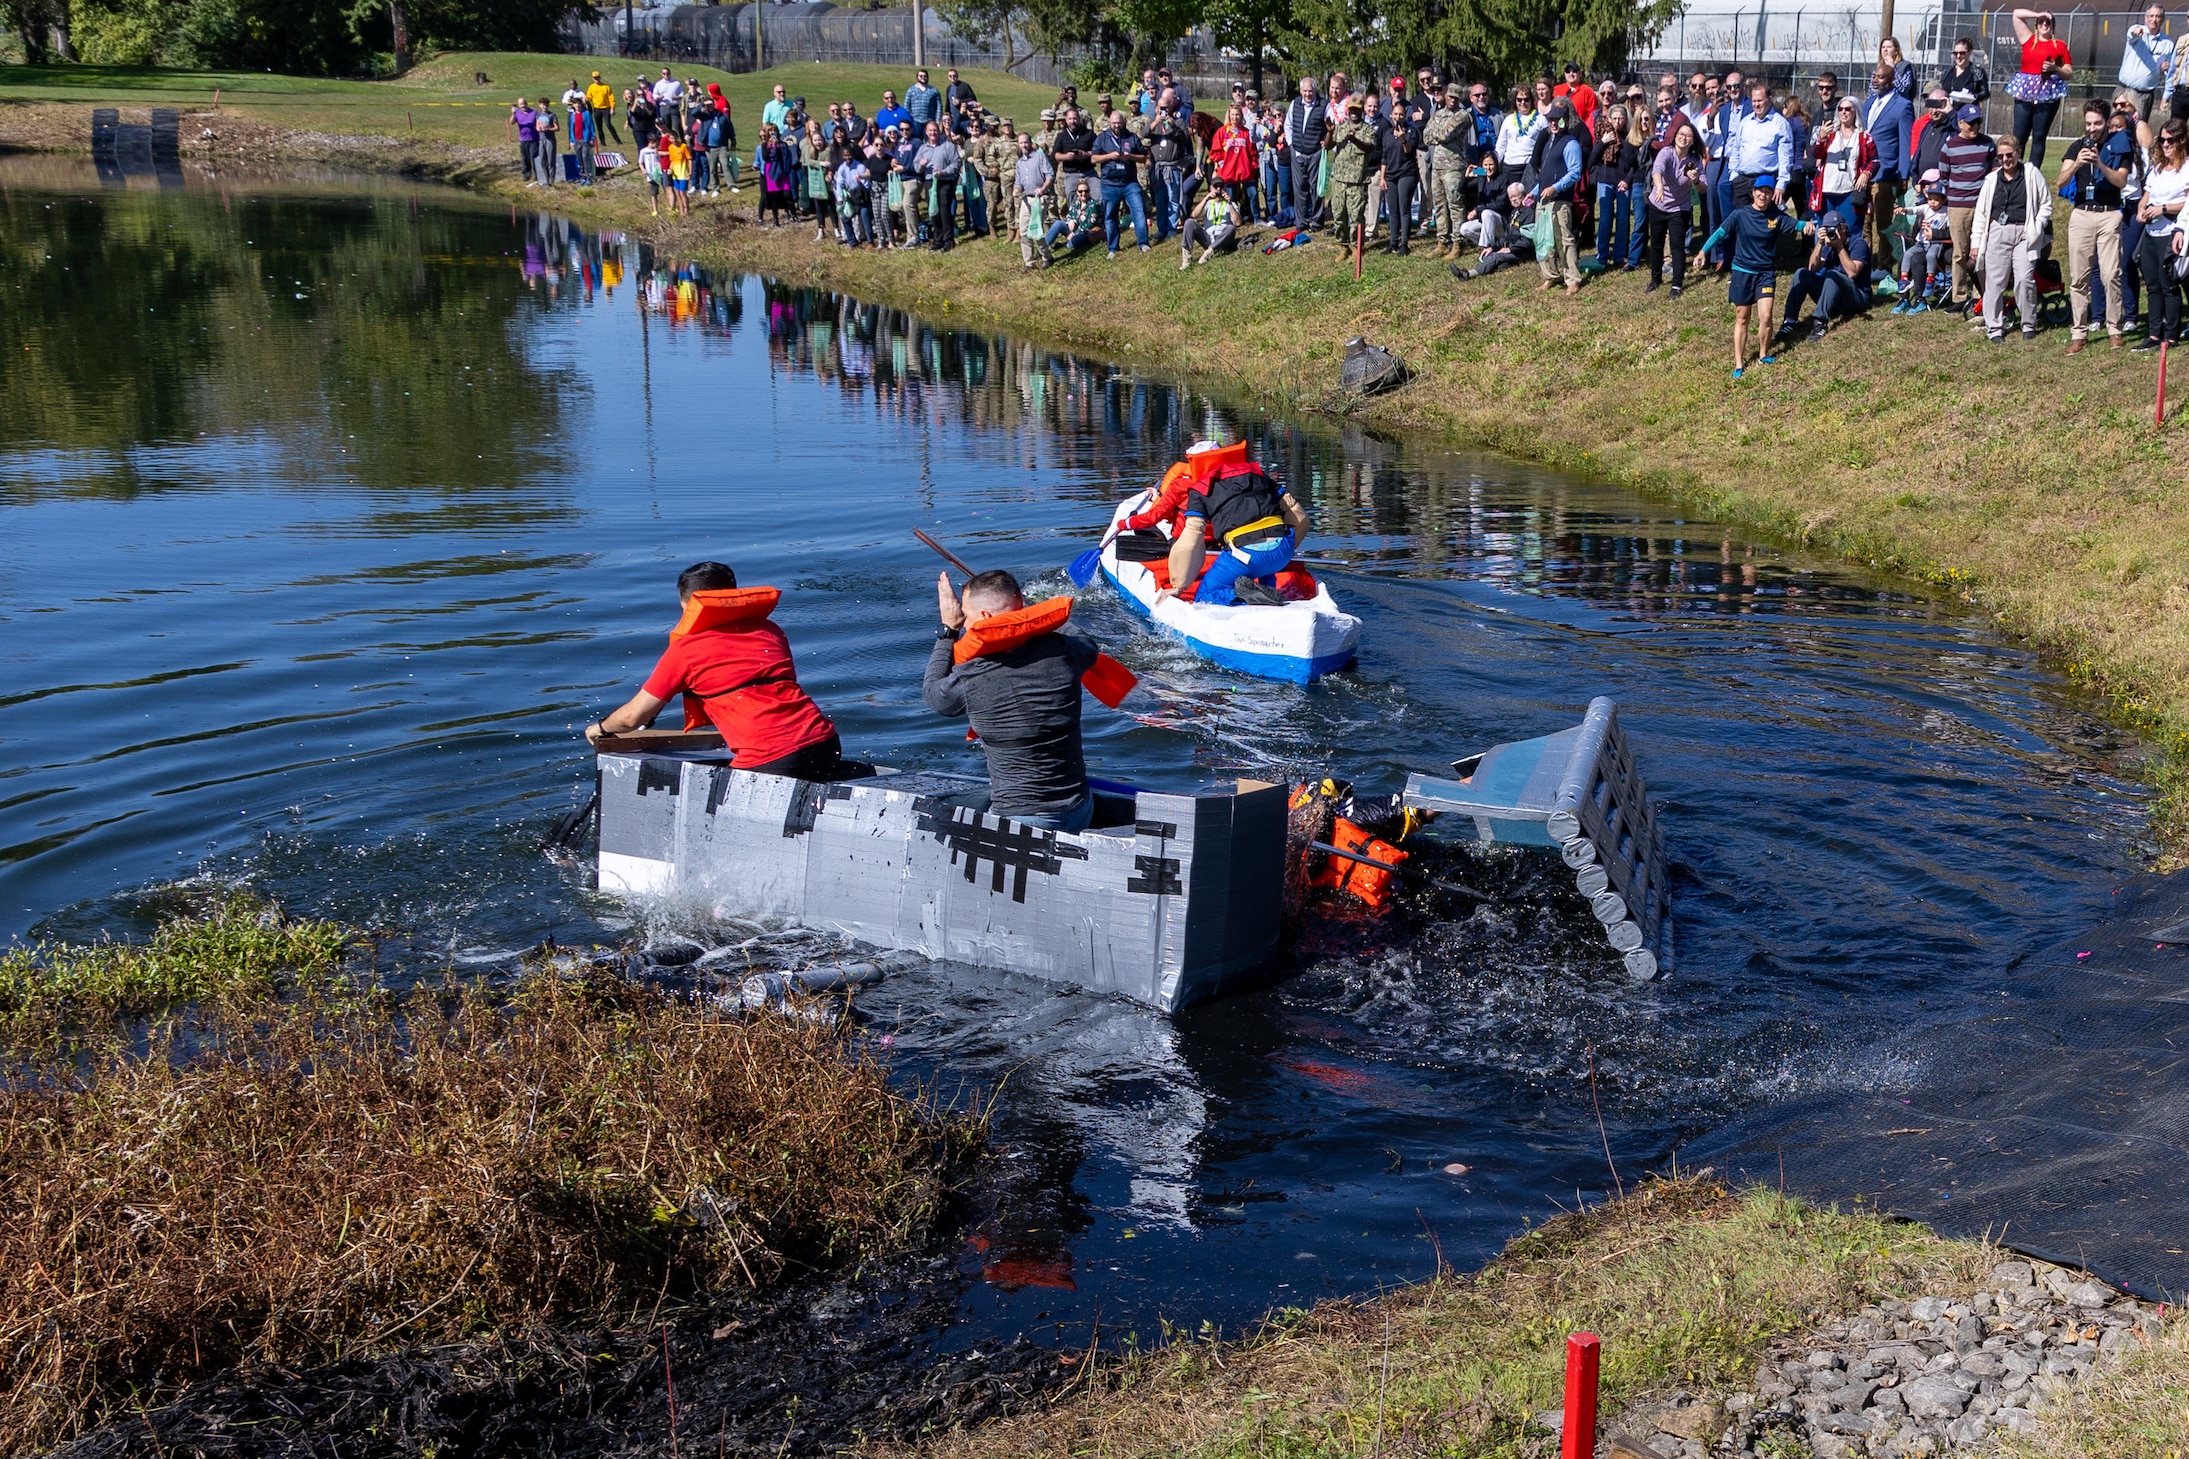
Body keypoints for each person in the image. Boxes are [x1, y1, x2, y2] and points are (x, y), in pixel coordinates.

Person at [587, 562, 850, 783]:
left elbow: (633, 717)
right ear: (733, 595)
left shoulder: (686, 652)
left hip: (771, 756)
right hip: (824, 741)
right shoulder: (769, 631)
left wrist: (601, 728)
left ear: (685, 604)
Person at [924, 570, 1102, 832]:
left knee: (929, 811)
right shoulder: (1066, 652)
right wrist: (1031, 617)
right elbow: (1088, 643)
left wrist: (947, 632)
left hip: (1022, 820)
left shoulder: (972, 675)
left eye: (966, 617)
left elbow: (933, 695)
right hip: (1080, 809)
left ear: (984, 617)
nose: (964, 626)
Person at [1159, 457, 1312, 607]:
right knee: (1267, 558)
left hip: (1246, 555)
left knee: (1204, 595)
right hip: (1282, 547)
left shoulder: (1199, 490)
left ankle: (1239, 594)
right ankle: (1268, 595)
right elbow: (1298, 514)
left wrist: (1179, 585)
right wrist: (1289, 549)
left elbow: (1192, 537)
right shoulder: (1257, 474)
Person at [1699, 178, 1801, 377]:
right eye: (1760, 191)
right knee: (1742, 318)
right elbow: (1720, 233)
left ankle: (1763, 354)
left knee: (1766, 315)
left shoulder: (1777, 216)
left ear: (1773, 195)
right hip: (1742, 272)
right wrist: (1703, 251)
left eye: (1768, 192)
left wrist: (1810, 227)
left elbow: (1797, 225)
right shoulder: (1740, 214)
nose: (1763, 195)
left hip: (1765, 273)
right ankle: (1739, 364)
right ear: (1753, 192)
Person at [2059, 97, 2135, 349]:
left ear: (2106, 122)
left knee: (2111, 273)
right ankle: (2079, 333)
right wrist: (2077, 164)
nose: (2092, 128)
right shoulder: (2076, 147)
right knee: (2078, 277)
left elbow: (2122, 182)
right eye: (2088, 123)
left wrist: (2099, 163)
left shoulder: (2119, 145)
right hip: (2082, 214)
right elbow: (2059, 181)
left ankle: (2115, 328)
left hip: (2109, 213)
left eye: (2097, 123)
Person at [1972, 132, 2053, 341]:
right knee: (1994, 282)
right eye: (2001, 156)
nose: (2005, 160)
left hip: (2024, 233)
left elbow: (2046, 203)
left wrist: (2037, 225)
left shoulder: (2031, 174)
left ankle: (2028, 324)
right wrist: (1975, 242)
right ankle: (1994, 328)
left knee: (2025, 280)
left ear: (2018, 153)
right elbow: (1981, 214)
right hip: (1998, 230)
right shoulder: (1991, 180)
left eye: (2009, 155)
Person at [2135, 117, 2189, 348]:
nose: (2165, 144)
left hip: (2171, 232)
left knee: (2169, 285)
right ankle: (2154, 334)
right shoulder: (2157, 168)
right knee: (2153, 285)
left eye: (2171, 140)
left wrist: (2163, 208)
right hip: (2150, 232)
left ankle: (2171, 335)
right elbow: (2146, 196)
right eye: (2162, 140)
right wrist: (2141, 211)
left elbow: (2187, 202)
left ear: (2181, 141)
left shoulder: (2186, 168)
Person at [1778, 211, 1872, 340]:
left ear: (1843, 229)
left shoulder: (1858, 244)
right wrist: (1819, 243)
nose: (1830, 233)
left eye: (1832, 229)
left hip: (1857, 298)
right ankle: (1789, 321)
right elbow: (1812, 268)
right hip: (1834, 300)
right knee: (1802, 273)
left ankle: (1820, 323)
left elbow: (1852, 272)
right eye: (1826, 229)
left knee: (1833, 275)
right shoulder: (1827, 245)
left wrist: (1839, 247)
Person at [1938, 104, 1997, 306]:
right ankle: (1959, 296)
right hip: (1958, 206)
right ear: (1960, 123)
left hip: (1983, 206)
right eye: (1970, 123)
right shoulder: (1949, 147)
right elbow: (1944, 177)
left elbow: (1994, 172)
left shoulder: (1988, 144)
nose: (1975, 126)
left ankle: (1980, 296)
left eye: (1978, 122)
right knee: (1960, 252)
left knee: (1982, 251)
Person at [1530, 98, 1587, 293]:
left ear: (1565, 120)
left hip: (1560, 200)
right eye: (1551, 119)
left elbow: (1575, 172)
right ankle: (1551, 276)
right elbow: (1544, 173)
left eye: (1558, 119)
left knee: (1564, 239)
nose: (1554, 123)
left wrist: (1555, 188)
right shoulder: (1548, 141)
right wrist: (1534, 192)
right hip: (1543, 199)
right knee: (1544, 240)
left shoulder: (1570, 143)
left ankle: (1572, 279)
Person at [1861, 64, 1914, 260]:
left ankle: (1884, 264)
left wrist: (1903, 174)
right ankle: (1864, 260)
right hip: (1864, 171)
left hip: (1886, 172)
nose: (1875, 80)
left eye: (1881, 77)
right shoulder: (1869, 103)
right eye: (1874, 76)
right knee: (1864, 219)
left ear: (1892, 81)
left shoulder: (1902, 105)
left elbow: (1905, 142)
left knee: (1883, 222)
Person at [2008, 8, 2073, 168]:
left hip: (2047, 94)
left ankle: (2033, 173)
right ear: (2036, 25)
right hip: (2025, 93)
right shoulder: (2028, 40)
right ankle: (2015, 171)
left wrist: (2055, 69)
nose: (2045, 24)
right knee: (2019, 136)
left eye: (2048, 21)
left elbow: (2069, 72)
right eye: (2041, 21)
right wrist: (2039, 14)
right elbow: (2016, 13)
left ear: (2053, 26)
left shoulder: (2060, 46)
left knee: (2039, 136)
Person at [1645, 118, 1704, 294]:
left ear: (1693, 140)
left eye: (1688, 135)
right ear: (1675, 136)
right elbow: (1657, 170)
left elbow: (1703, 188)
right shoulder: (1666, 152)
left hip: (1679, 208)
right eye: (1681, 134)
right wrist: (1660, 186)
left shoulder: (1695, 161)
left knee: (1677, 246)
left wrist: (1696, 180)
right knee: (1656, 243)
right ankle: (1655, 279)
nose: (1684, 138)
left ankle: (1677, 284)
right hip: (1658, 203)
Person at [1091, 110, 1150, 255]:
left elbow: (1144, 158)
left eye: (1119, 122)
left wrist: (1130, 156)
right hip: (1109, 184)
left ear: (1124, 122)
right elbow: (1093, 159)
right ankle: (1113, 248)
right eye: (1114, 123)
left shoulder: (1132, 137)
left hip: (1130, 183)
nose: (1116, 125)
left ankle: (1143, 243)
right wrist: (1109, 156)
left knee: (1139, 211)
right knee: (1110, 216)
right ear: (1110, 123)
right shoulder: (1102, 139)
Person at [1812, 96, 1876, 229]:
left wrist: (1865, 174)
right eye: (1840, 109)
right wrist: (1821, 138)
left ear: (1855, 112)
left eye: (1848, 109)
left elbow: (1875, 161)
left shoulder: (1864, 137)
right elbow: (1816, 154)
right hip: (1826, 191)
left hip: (1850, 192)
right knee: (1825, 231)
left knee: (1850, 230)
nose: (1843, 112)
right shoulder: (1829, 135)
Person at [1325, 94, 1377, 250]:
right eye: (1351, 109)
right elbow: (1327, 146)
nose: (1354, 112)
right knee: (1339, 216)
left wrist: (1355, 140)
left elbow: (1370, 147)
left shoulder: (1367, 129)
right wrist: (1329, 132)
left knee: (1356, 218)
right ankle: (1343, 246)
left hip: (1357, 181)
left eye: (1357, 109)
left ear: (1362, 111)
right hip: (1339, 180)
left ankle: (1356, 247)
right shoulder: (1340, 127)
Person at [1893, 177, 1953, 308]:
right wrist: (1904, 210)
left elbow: (1952, 231)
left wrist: (1935, 233)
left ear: (1943, 200)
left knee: (1922, 258)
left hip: (1936, 244)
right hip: (1921, 243)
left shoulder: (1947, 212)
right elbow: (1914, 210)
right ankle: (1904, 290)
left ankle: (1926, 287)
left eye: (1936, 200)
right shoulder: (1925, 208)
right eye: (1930, 199)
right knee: (1905, 255)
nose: (1932, 203)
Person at [1592, 106, 1640, 268]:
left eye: (1621, 118)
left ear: (1626, 119)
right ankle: (1602, 255)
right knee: (1605, 219)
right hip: (1605, 180)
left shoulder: (1630, 138)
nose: (1617, 122)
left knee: (1622, 219)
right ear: (1609, 118)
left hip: (1623, 183)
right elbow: (1593, 158)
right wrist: (1603, 142)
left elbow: (1636, 164)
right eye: (1614, 118)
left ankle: (1619, 255)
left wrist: (1627, 180)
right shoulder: (1604, 135)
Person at [1286, 76, 1329, 229]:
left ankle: (1317, 221)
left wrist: (1325, 141)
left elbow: (1330, 127)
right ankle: (1301, 222)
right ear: (1300, 91)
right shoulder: (1294, 104)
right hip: (1297, 153)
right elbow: (1288, 125)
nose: (1307, 94)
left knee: (1316, 189)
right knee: (1299, 189)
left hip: (1315, 153)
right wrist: (1292, 144)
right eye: (1305, 91)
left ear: (1315, 90)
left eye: (1310, 91)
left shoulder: (1324, 105)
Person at [914, 120, 963, 251]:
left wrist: (944, 171)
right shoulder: (923, 149)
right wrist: (921, 165)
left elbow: (957, 163)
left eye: (935, 130)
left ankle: (948, 240)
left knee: (944, 211)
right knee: (933, 211)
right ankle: (937, 239)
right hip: (930, 183)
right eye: (930, 130)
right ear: (926, 132)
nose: (932, 133)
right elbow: (916, 167)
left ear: (939, 131)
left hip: (944, 181)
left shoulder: (947, 146)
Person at [2125, 6, 2177, 121]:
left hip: (2145, 94)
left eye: (2158, 16)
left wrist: (2166, 67)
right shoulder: (2137, 32)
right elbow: (2131, 34)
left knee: (2140, 128)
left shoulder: (2168, 43)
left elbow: (2170, 71)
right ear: (2145, 18)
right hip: (2125, 90)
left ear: (2163, 20)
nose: (2154, 19)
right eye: (2151, 16)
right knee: (2118, 125)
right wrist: (2135, 32)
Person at [1014, 130, 1056, 267]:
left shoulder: (1040, 157)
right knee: (1024, 231)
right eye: (1021, 143)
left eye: (1026, 142)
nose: (1024, 145)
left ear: (1030, 143)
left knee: (1036, 230)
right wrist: (1016, 190)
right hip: (1026, 199)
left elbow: (1050, 175)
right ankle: (1029, 262)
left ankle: (1047, 257)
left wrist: (1042, 189)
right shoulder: (1020, 163)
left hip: (1040, 198)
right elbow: (1018, 183)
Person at [1043, 177, 1104, 257]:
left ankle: (1065, 245)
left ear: (1089, 192)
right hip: (1075, 229)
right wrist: (1071, 221)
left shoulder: (1094, 205)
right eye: (1080, 191)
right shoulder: (1076, 202)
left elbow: (1089, 225)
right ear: (1077, 192)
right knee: (1058, 223)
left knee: (1073, 242)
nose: (1083, 194)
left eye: (1086, 191)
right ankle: (1043, 248)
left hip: (1086, 232)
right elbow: (1070, 215)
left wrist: (1073, 234)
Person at [756, 124, 795, 225]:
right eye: (770, 131)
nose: (772, 132)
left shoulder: (783, 144)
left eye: (774, 130)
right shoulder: (765, 145)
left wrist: (778, 146)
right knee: (774, 196)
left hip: (782, 170)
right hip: (771, 171)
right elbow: (765, 157)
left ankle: (793, 214)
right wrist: (771, 146)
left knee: (787, 194)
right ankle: (775, 219)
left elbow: (785, 156)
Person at [1942, 38, 1991, 107]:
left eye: (1962, 53)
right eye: (1955, 53)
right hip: (1948, 112)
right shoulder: (1947, 72)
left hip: (1967, 113)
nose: (1958, 56)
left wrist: (1973, 96)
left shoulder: (1977, 72)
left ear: (1969, 53)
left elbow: (1985, 93)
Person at [510, 97, 541, 187]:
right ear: (519, 105)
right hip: (523, 140)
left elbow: (539, 121)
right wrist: (513, 113)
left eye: (524, 103)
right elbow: (511, 122)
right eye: (521, 104)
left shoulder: (534, 112)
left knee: (534, 157)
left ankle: (537, 175)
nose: (523, 105)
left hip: (534, 139)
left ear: (526, 103)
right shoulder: (517, 114)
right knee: (525, 158)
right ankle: (526, 175)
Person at [585, 71, 621, 147]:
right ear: (592, 78)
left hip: (606, 109)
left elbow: (611, 98)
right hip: (597, 109)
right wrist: (586, 99)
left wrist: (612, 108)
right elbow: (589, 97)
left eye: (597, 77)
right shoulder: (591, 87)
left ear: (600, 77)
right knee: (599, 126)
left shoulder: (606, 87)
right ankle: (602, 141)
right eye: (595, 78)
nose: (596, 79)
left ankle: (617, 140)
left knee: (608, 124)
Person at [534, 96, 559, 186]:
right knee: (542, 160)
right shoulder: (538, 115)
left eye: (546, 105)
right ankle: (546, 178)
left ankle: (551, 180)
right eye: (542, 105)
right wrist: (539, 129)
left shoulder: (552, 115)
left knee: (551, 160)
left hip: (550, 140)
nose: (544, 107)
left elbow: (557, 128)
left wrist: (548, 129)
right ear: (540, 105)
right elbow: (537, 126)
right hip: (541, 139)